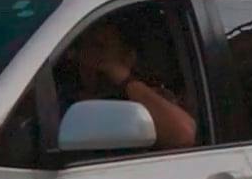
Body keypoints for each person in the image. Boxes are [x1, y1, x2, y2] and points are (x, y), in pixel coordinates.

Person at [64, 21, 197, 149]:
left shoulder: (146, 101)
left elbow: (183, 134)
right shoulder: (53, 96)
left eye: (100, 47)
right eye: (84, 46)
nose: (89, 54)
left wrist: (124, 79)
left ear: (128, 58)